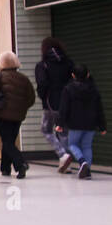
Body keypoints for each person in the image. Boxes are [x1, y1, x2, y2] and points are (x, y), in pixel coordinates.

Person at [0, 51, 37, 178]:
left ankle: (20, 164)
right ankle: (5, 168)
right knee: (10, 140)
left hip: (2, 114)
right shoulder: (24, 78)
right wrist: (21, 108)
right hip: (18, 116)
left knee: (7, 141)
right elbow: (31, 98)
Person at [55, 63, 106, 179]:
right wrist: (102, 126)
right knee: (87, 146)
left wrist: (60, 123)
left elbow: (64, 108)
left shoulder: (68, 89)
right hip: (91, 124)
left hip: (75, 123)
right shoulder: (94, 89)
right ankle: (87, 170)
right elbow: (99, 108)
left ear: (73, 75)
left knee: (72, 144)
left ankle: (82, 162)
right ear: (88, 74)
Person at [35, 37, 75, 172]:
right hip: (67, 102)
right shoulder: (69, 63)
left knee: (46, 130)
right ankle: (66, 165)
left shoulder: (43, 65)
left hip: (50, 103)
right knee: (63, 132)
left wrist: (43, 96)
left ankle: (63, 155)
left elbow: (42, 84)